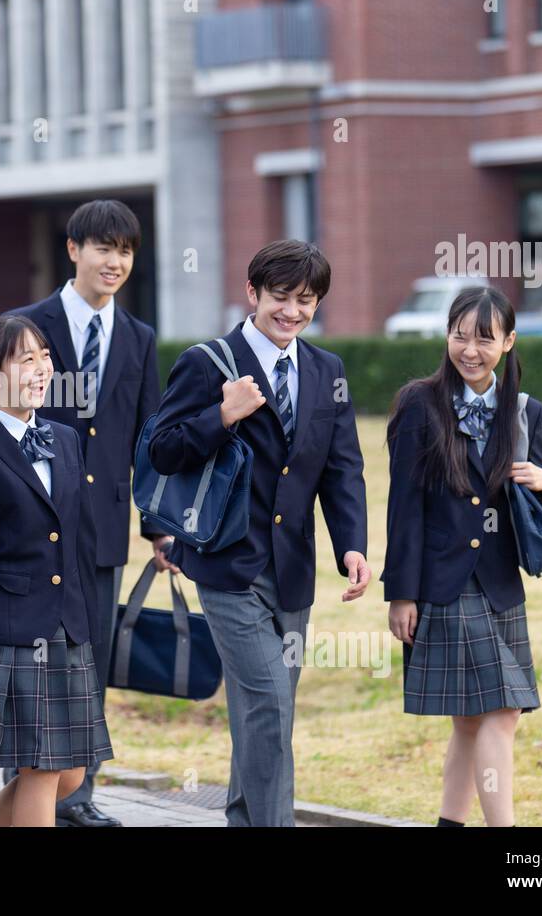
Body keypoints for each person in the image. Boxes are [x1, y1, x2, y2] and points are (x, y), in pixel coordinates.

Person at [148, 239, 370, 827]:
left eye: (306, 301)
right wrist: (221, 415)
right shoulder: (206, 363)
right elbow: (161, 451)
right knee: (271, 704)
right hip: (226, 563)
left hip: (293, 569)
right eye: (280, 297)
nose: (292, 312)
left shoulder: (327, 370)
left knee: (265, 708)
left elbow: (342, 465)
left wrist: (352, 544)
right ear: (252, 294)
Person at [6, 198, 168, 827]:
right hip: (32, 526)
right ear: (73, 250)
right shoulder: (25, 325)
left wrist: (158, 526)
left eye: (125, 251)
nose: (115, 261)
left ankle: (76, 797)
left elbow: (147, 439)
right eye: (103, 247)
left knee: (88, 664)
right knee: (29, 664)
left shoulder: (139, 337)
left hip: (103, 530)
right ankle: (26, 796)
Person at [382, 286, 542, 828]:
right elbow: (404, 504)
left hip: (501, 584)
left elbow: (538, 494)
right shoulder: (419, 402)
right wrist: (401, 593)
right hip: (444, 581)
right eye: (460, 334)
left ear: (508, 341)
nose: (470, 349)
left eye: (485, 337)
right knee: (502, 713)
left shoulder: (525, 411)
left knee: (470, 721)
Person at [0, 315, 114, 827]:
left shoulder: (64, 438)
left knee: (71, 774)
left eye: (45, 357)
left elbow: (80, 540)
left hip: (67, 629)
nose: (41, 369)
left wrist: (89, 625)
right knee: (41, 769)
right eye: (25, 359)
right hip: (8, 631)